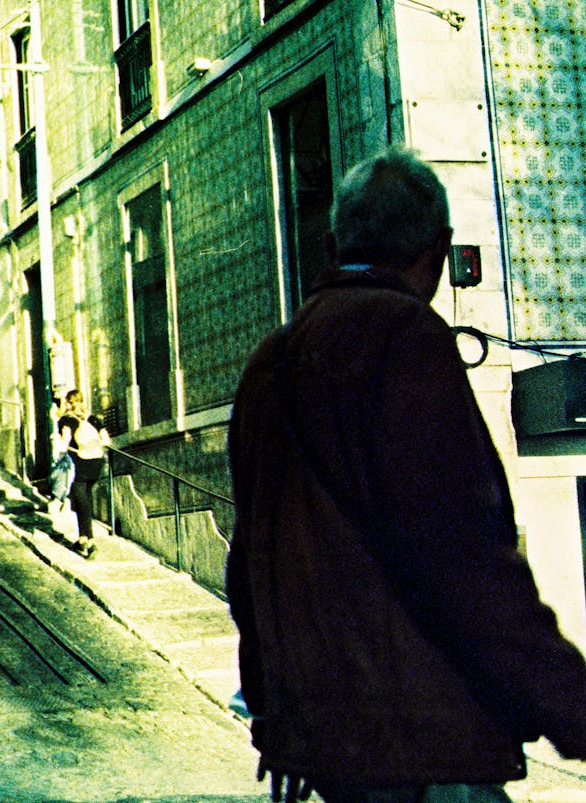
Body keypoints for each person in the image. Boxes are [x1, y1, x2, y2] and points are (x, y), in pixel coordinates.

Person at [226, 146, 586, 803]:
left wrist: (278, 713)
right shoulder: (404, 338)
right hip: (422, 745)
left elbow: (248, 564)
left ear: (334, 242)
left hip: (325, 752)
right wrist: (568, 702)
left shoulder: (267, 365)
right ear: (439, 249)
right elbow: (461, 555)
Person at [57, 389, 110, 558]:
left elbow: (64, 443)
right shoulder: (93, 418)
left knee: (81, 502)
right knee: (84, 500)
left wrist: (59, 446)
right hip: (96, 464)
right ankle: (82, 539)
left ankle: (91, 542)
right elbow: (107, 440)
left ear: (70, 403)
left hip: (79, 464)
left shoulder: (66, 420)